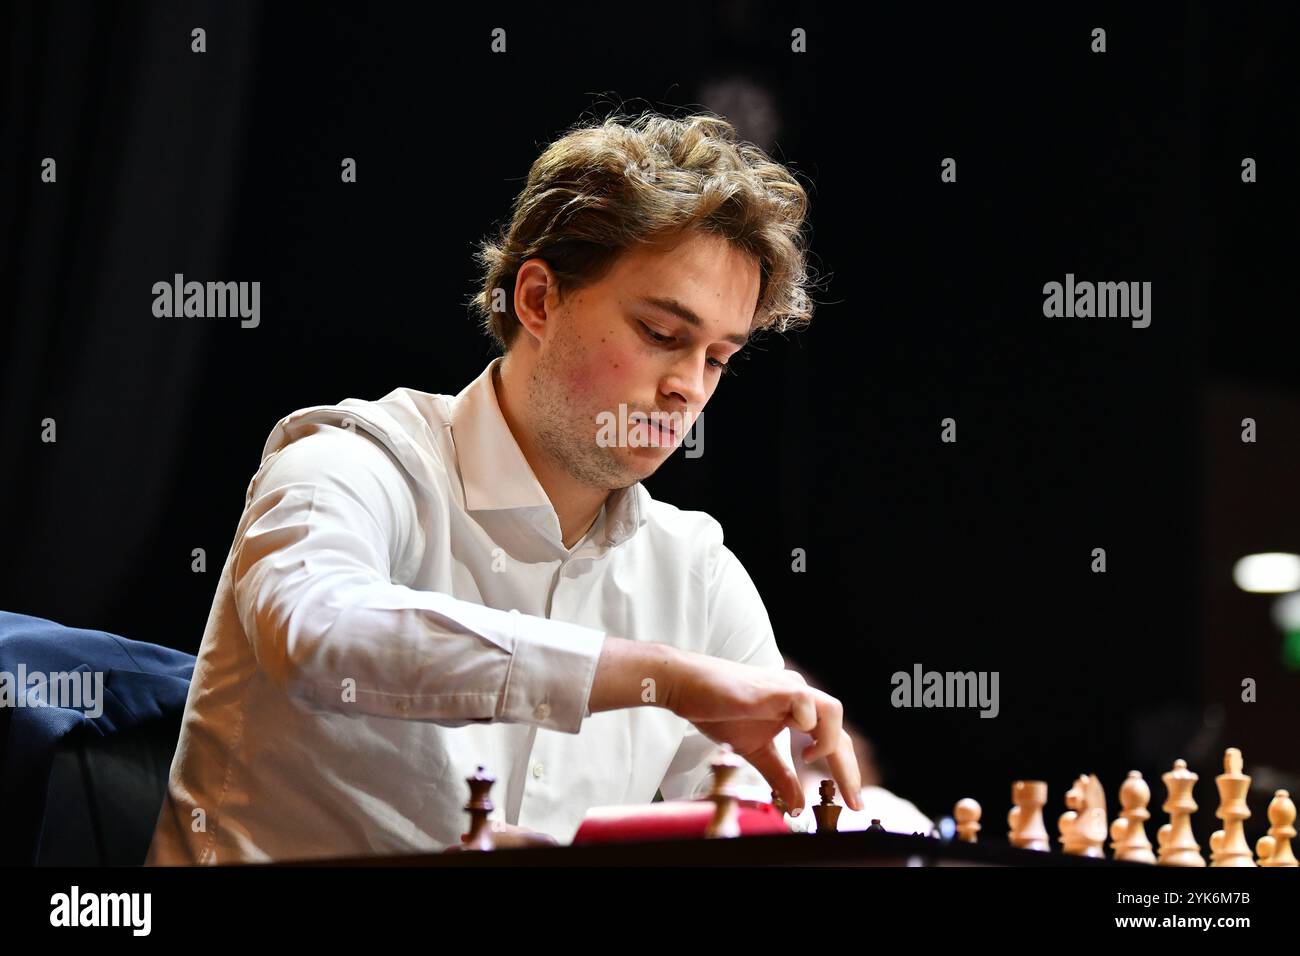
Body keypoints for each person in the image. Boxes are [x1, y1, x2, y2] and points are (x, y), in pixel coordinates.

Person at [146, 110, 860, 864]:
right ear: (538, 300)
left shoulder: (698, 574)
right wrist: (659, 678)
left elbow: (746, 827)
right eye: (661, 334)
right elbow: (316, 634)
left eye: (718, 357)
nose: (690, 388)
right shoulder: (352, 457)